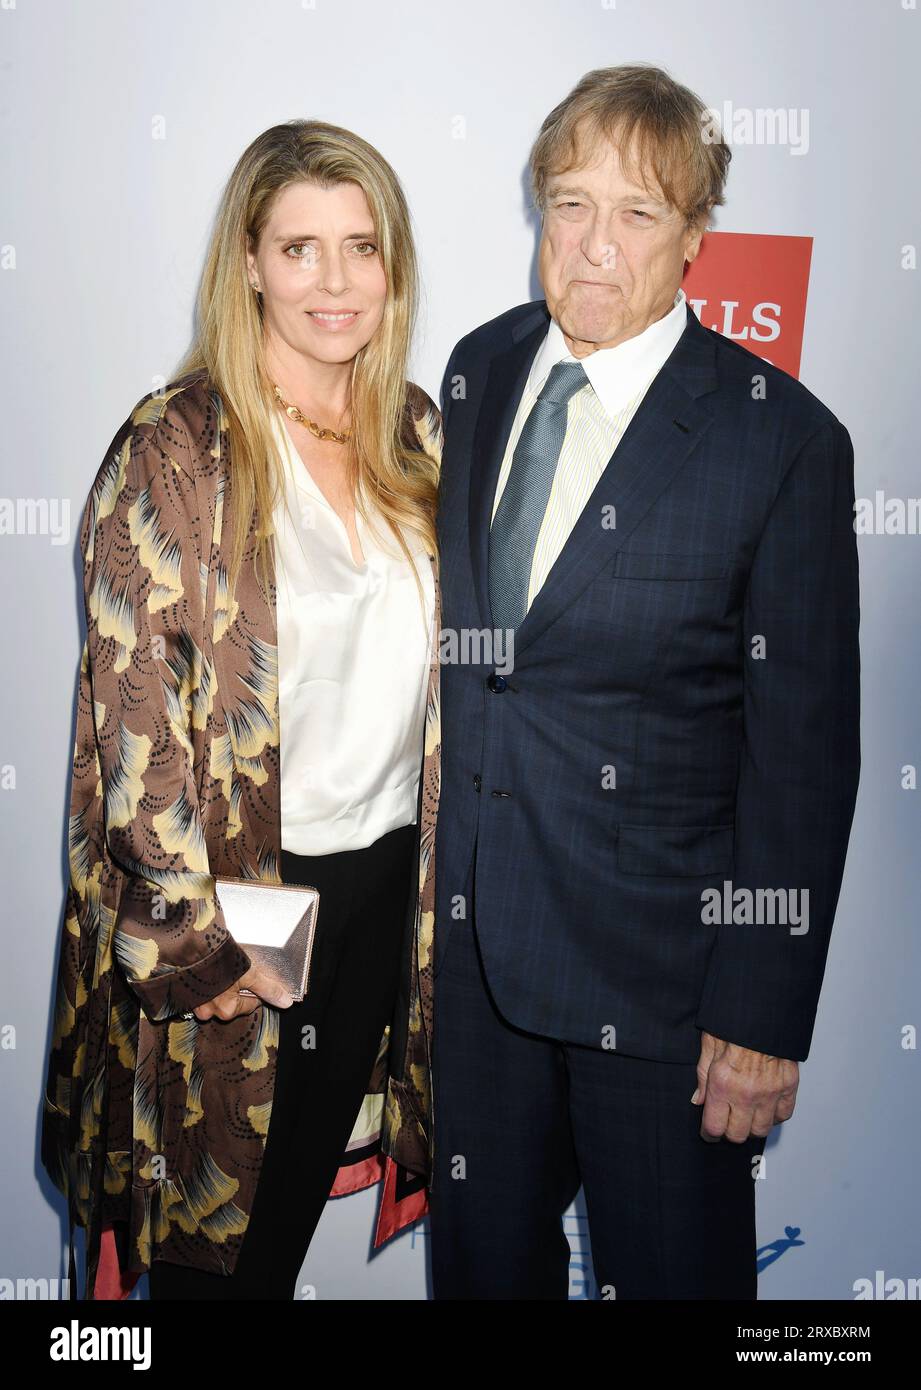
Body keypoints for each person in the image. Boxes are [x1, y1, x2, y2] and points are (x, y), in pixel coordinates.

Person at [430, 64, 860, 1299]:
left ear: (696, 240)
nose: (596, 247)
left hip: (667, 1005)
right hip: (474, 983)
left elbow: (805, 756)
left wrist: (765, 1015)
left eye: (637, 213)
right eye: (571, 204)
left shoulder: (779, 440)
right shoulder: (480, 369)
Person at [40, 119, 442, 1301]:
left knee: (271, 1253)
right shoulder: (177, 448)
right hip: (232, 922)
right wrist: (193, 940)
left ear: (393, 267)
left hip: (382, 902)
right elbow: (136, 728)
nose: (335, 281)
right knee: (214, 1266)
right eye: (300, 247)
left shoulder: (417, 433)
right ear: (251, 263)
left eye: (361, 248)